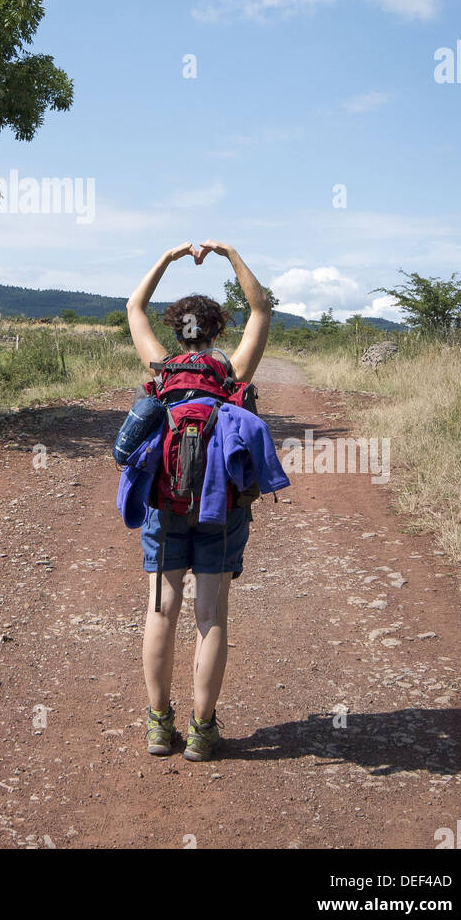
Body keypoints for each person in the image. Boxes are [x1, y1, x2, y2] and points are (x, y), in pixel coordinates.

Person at [125, 240, 272, 762]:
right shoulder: (230, 373)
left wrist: (166, 258)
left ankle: (159, 727)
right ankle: (203, 730)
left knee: (161, 610)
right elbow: (262, 307)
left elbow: (133, 307)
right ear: (215, 331)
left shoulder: (161, 370)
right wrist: (230, 253)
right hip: (221, 507)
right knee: (210, 616)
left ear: (175, 328)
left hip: (165, 507)